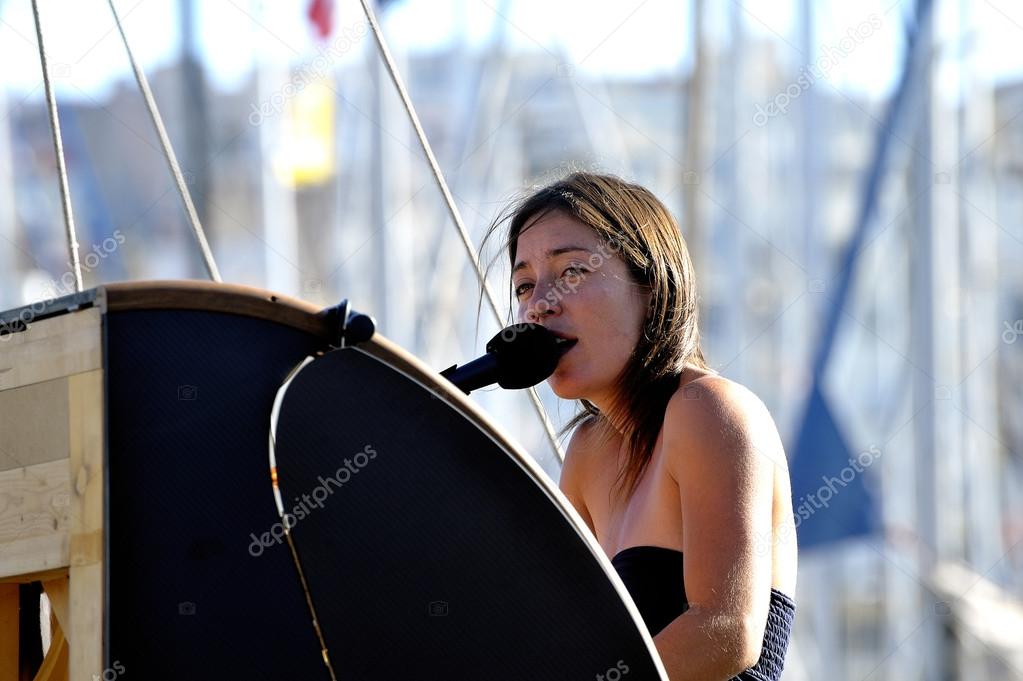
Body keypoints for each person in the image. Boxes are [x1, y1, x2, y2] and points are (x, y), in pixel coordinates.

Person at [482, 172, 798, 681]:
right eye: (524, 285)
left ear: (650, 286)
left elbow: (725, 631)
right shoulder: (588, 453)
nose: (539, 304)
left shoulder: (708, 409)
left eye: (572, 272)